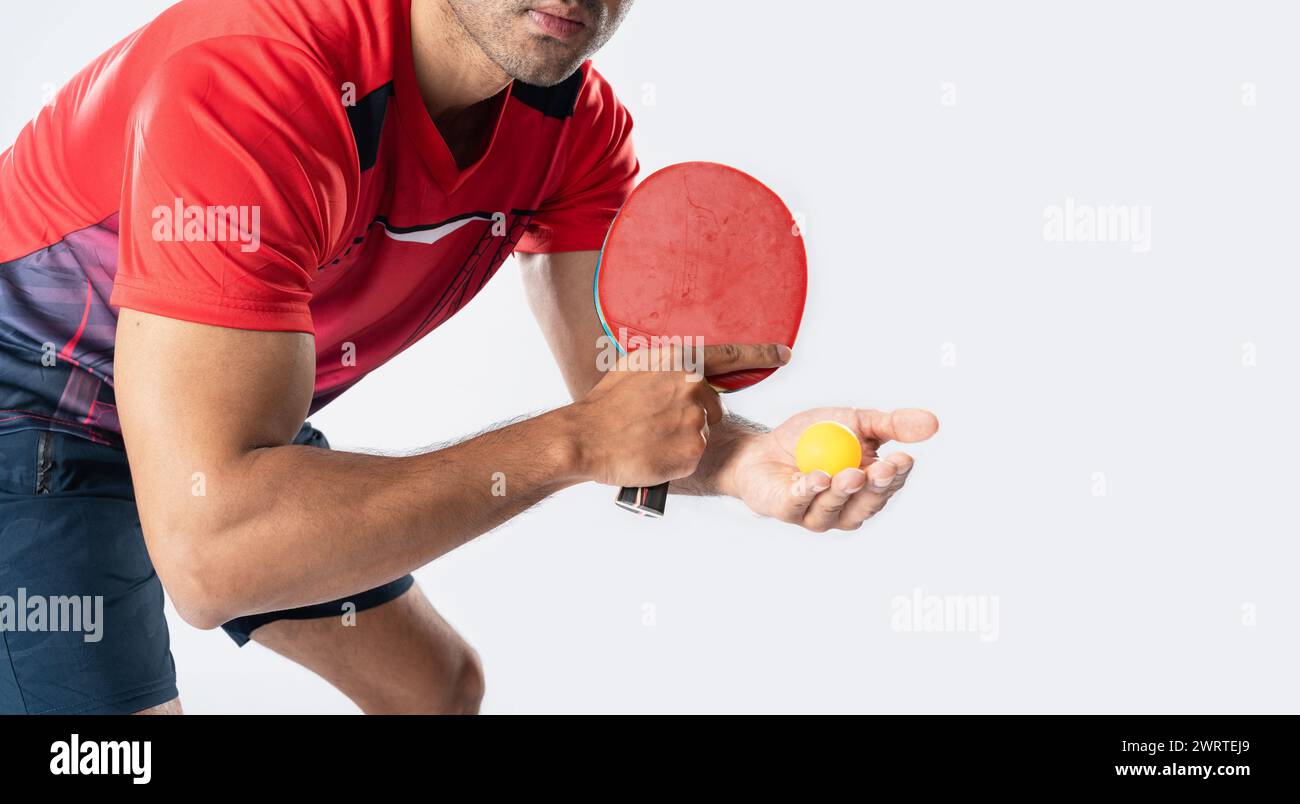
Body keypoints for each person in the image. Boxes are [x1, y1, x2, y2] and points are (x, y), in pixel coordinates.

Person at [0, 0, 938, 715]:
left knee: (435, 692)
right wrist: (567, 444)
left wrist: (743, 458)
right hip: (27, 402)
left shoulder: (575, 130)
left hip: (206, 410)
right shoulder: (255, 79)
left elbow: (621, 401)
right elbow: (211, 559)